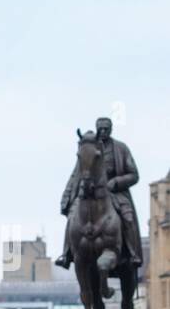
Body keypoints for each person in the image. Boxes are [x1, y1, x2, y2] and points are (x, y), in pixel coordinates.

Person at [57, 116, 142, 271]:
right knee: (72, 216)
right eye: (100, 128)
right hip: (88, 192)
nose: (103, 131)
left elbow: (134, 175)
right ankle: (66, 253)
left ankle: (132, 253)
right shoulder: (88, 149)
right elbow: (76, 174)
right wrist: (66, 195)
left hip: (114, 192)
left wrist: (115, 182)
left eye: (106, 128)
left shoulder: (121, 148)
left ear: (111, 129)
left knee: (127, 216)